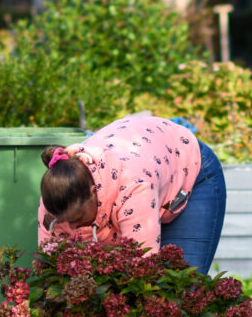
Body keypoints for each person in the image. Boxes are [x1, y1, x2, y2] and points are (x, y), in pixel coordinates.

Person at [37, 115, 226, 274]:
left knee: (182, 288)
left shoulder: (134, 189)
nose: (71, 227)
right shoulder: (58, 194)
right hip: (145, 164)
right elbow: (48, 270)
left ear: (93, 193)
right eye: (64, 221)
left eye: (77, 218)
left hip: (185, 167)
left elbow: (142, 271)